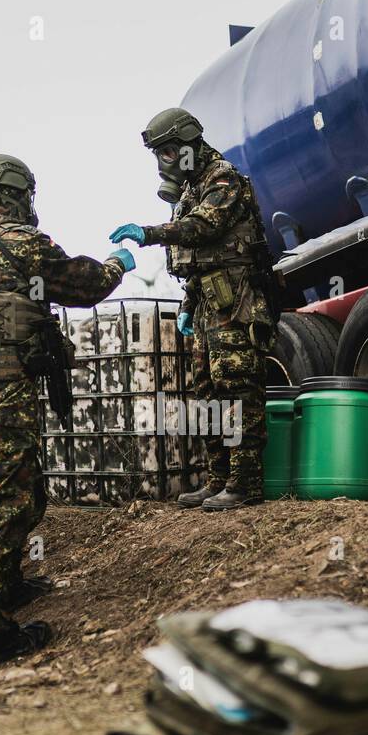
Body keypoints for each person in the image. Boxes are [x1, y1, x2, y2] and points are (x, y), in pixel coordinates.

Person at [0, 153, 133, 669]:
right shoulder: (18, 241)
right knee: (5, 501)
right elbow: (85, 284)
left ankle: (7, 587)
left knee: (15, 490)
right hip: (2, 385)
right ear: (17, 194)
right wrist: (117, 265)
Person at [109, 107, 271, 511]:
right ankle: (217, 479)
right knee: (207, 393)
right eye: (159, 154)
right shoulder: (190, 190)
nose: (163, 162)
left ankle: (245, 482)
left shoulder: (223, 179)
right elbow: (199, 262)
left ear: (188, 145)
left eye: (167, 152)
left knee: (238, 389)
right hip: (207, 305)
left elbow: (202, 228)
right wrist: (188, 305)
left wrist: (149, 233)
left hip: (237, 301)